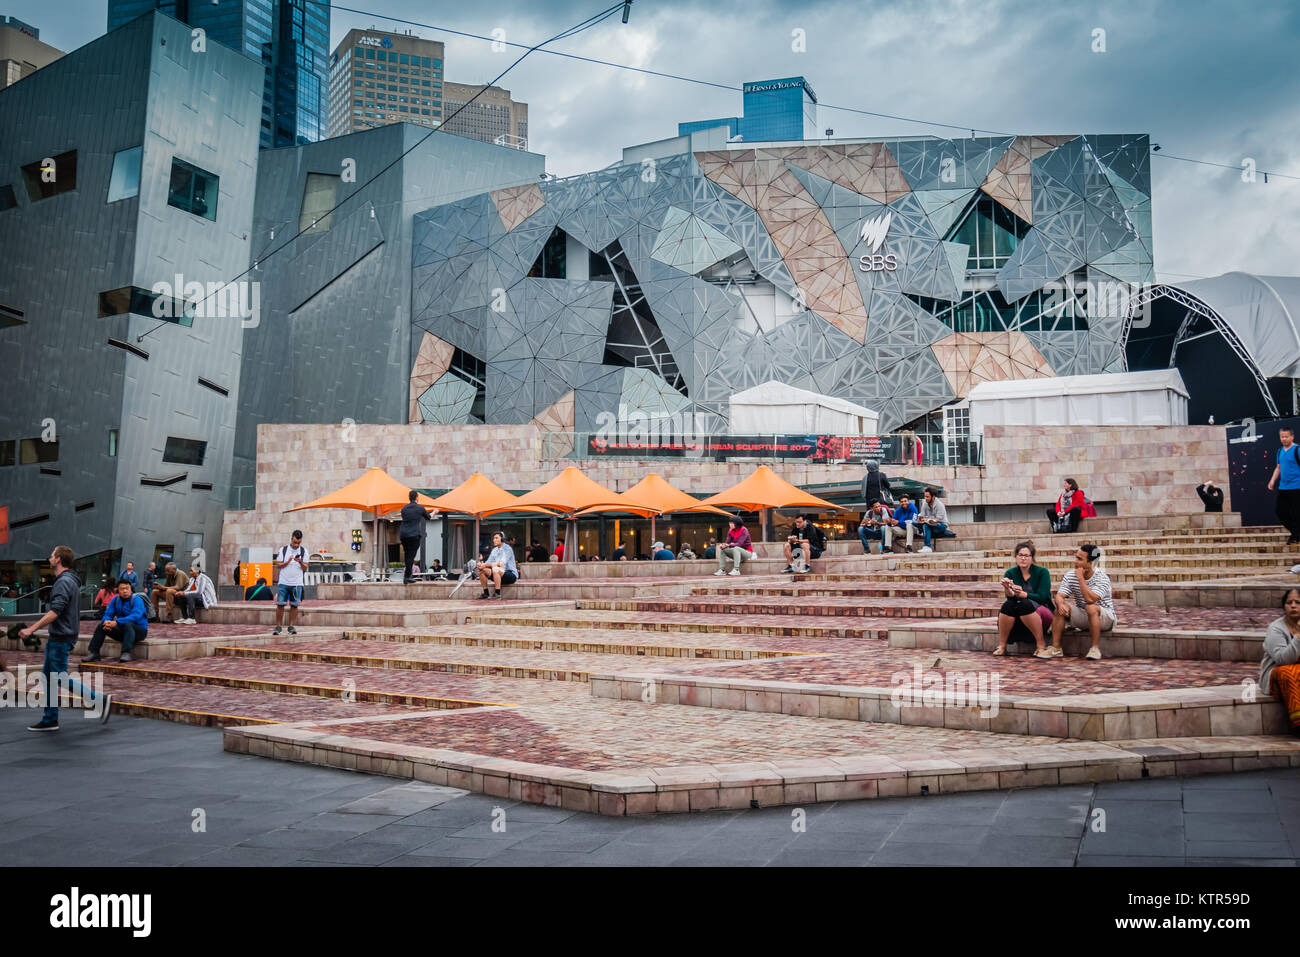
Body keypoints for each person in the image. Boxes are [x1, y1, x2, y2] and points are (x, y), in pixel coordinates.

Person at [20, 545, 111, 731]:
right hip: (62, 636)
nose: (50, 558)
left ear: (59, 559)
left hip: (61, 638)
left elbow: (56, 611)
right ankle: (50, 719)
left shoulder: (63, 582)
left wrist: (32, 629)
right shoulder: (69, 580)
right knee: (48, 678)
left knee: (59, 677)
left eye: (52, 555)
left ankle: (98, 700)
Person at [1049, 543, 1115, 659]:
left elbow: (1090, 599)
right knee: (1059, 608)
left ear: (1090, 563)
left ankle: (1095, 649)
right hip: (1084, 614)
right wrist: (1060, 604)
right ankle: (1056, 648)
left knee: (1090, 607)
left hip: (1105, 618)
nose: (1075, 561)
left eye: (1079, 559)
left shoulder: (1102, 578)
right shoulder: (1070, 575)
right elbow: (1059, 596)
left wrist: (1080, 578)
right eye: (1076, 557)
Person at [993, 541, 1054, 658]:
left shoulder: (1042, 572)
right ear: (1015, 557)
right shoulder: (1010, 573)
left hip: (1042, 611)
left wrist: (1023, 594)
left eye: (1026, 556)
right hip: (1019, 611)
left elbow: (1042, 597)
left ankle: (1041, 645)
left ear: (1032, 557)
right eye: (1020, 555)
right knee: (1007, 605)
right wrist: (1007, 589)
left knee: (1024, 604)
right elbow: (1010, 597)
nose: (1023, 558)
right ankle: (1002, 646)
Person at [1261, 589, 1300, 731]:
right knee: (1289, 672)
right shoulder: (1276, 628)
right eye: (1289, 603)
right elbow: (1282, 659)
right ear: (1284, 607)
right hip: (1276, 674)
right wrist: (1298, 637)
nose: (1293, 606)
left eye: (1298, 602)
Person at [84, 579, 148, 663]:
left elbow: (135, 616)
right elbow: (108, 614)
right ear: (118, 590)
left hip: (139, 631)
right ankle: (94, 653)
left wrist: (117, 622)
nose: (125, 591)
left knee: (128, 624)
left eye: (127, 588)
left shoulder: (137, 599)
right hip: (123, 631)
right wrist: (106, 622)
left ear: (131, 589)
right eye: (122, 589)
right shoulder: (115, 600)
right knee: (101, 626)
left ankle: (126, 652)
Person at [1268, 428, 1300, 544]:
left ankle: (1295, 535)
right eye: (1282, 437)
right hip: (1283, 487)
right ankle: (1296, 533)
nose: (1284, 439)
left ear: (1292, 437)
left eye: (1286, 436)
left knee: (1297, 513)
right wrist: (1272, 481)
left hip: (1297, 487)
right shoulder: (1280, 451)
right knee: (1280, 511)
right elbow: (1278, 467)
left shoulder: (1297, 450)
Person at [273, 530, 308, 635]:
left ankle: (291, 626)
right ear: (291, 539)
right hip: (284, 581)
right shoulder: (283, 550)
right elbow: (278, 565)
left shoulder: (303, 551)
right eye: (294, 542)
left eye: (298, 543)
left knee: (294, 605)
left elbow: (305, 568)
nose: (296, 545)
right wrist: (287, 562)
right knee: (280, 604)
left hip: (297, 583)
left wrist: (300, 561)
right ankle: (278, 626)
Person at [398, 490, 433, 584]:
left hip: (403, 534)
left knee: (407, 555)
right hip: (414, 535)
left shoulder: (404, 508)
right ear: (417, 498)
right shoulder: (420, 508)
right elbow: (429, 517)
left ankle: (408, 576)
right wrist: (435, 512)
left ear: (409, 498)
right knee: (411, 556)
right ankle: (407, 577)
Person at [477, 531, 518, 599]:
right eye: (493, 538)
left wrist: (487, 565)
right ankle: (486, 593)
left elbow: (501, 564)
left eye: (496, 538)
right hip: (498, 574)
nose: (494, 540)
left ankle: (497, 593)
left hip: (510, 575)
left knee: (495, 568)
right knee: (482, 570)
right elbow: (488, 562)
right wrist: (481, 565)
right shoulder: (494, 550)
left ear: (502, 539)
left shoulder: (507, 549)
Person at [915, 487, 954, 552]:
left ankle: (927, 546)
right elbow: (922, 515)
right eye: (925, 496)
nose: (925, 498)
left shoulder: (940, 505)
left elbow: (937, 519)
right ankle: (922, 532)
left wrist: (926, 520)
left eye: (927, 497)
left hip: (941, 525)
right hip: (928, 523)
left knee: (926, 525)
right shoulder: (925, 503)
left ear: (933, 497)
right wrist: (920, 519)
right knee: (913, 522)